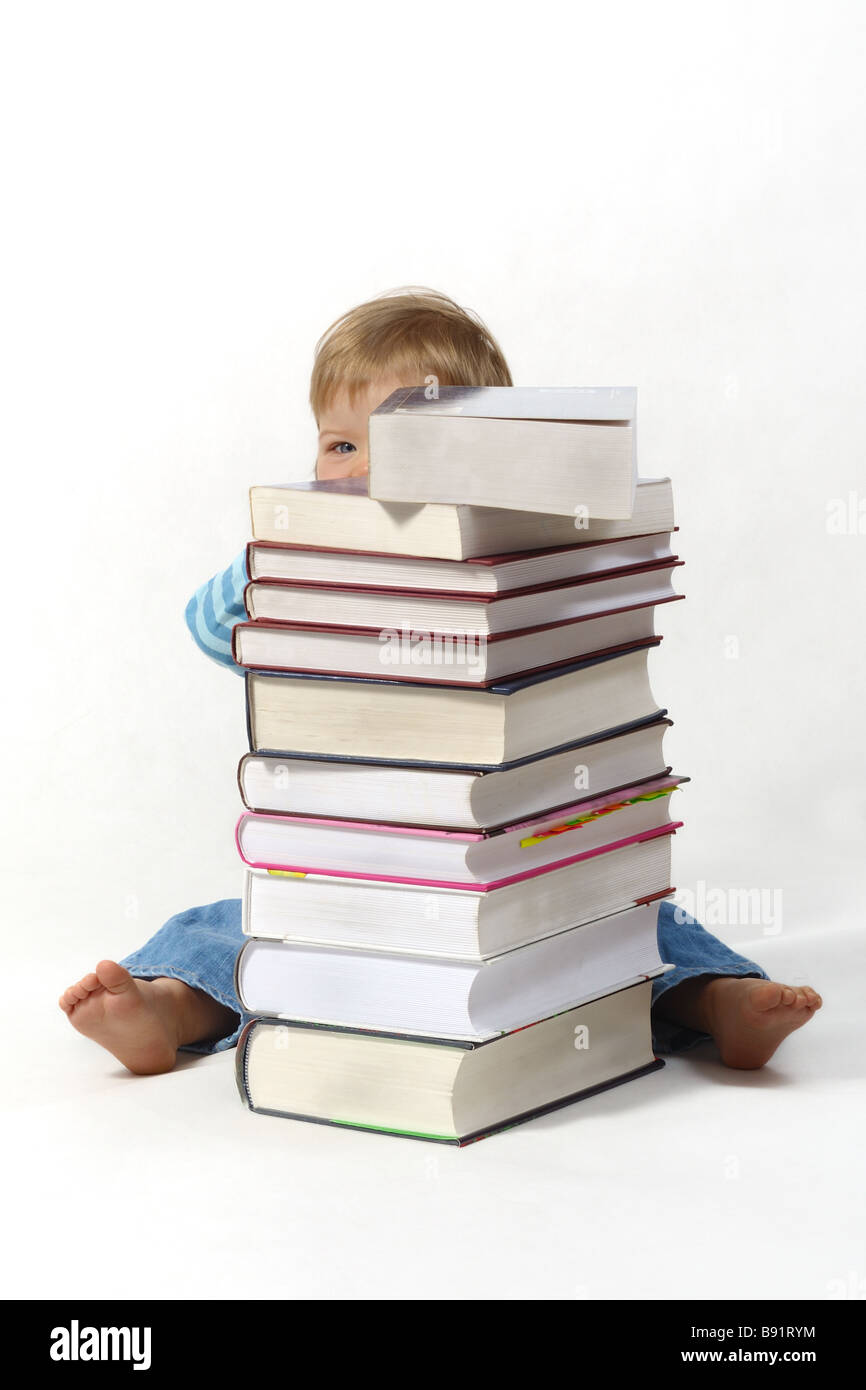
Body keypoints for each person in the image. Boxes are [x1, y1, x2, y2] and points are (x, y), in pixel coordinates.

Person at [59, 287, 822, 1075]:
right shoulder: (309, 579)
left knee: (640, 926)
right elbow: (209, 629)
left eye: (398, 450)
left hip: (506, 867)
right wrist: (273, 560)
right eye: (340, 447)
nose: (359, 474)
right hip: (358, 871)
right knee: (231, 931)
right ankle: (169, 1005)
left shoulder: (508, 570)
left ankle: (719, 1000)